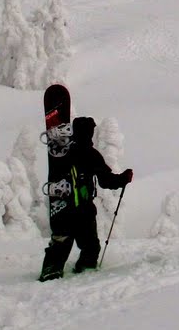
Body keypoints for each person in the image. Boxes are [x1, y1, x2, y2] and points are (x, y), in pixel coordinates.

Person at [39, 117, 132, 280]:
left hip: (62, 209)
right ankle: (85, 272)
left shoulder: (64, 153)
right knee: (90, 247)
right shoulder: (91, 154)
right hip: (83, 210)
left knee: (61, 242)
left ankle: (51, 270)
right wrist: (124, 178)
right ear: (89, 132)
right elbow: (106, 180)